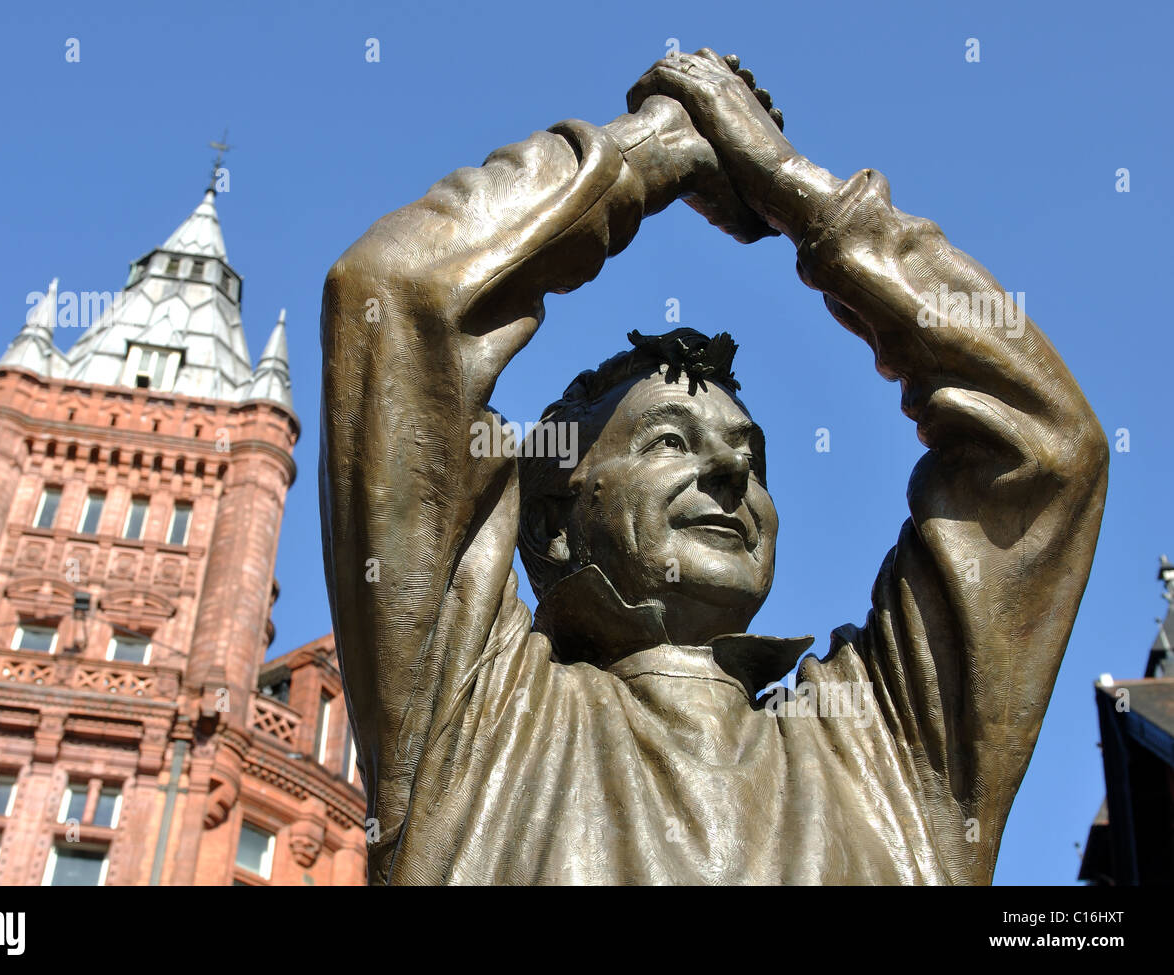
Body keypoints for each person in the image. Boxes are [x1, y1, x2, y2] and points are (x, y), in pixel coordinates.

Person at [319, 49, 1108, 884]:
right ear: (550, 520)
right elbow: (397, 296)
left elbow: (1045, 453)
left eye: (751, 456)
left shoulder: (886, 753)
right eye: (669, 441)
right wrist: (658, 150)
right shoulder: (474, 719)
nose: (733, 477)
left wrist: (795, 192)